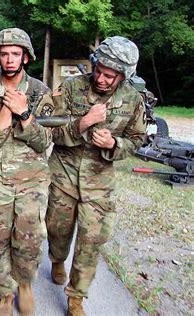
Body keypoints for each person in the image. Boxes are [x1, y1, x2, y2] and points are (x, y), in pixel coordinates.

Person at [46, 36, 146, 316]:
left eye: (109, 75)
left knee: (91, 242)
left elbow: (136, 140)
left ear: (123, 76)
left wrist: (114, 144)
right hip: (63, 177)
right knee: (57, 230)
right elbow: (49, 130)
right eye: (99, 70)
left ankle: (76, 299)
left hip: (99, 184)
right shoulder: (70, 88)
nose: (101, 78)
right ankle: (57, 259)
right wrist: (83, 123)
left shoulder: (132, 100)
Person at [0, 28, 55, 316]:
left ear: (26, 57)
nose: (9, 59)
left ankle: (26, 285)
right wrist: (6, 110)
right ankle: (5, 293)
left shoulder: (41, 92)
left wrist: (24, 112)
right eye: (4, 54)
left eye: (15, 54)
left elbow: (45, 141)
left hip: (33, 177)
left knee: (29, 239)